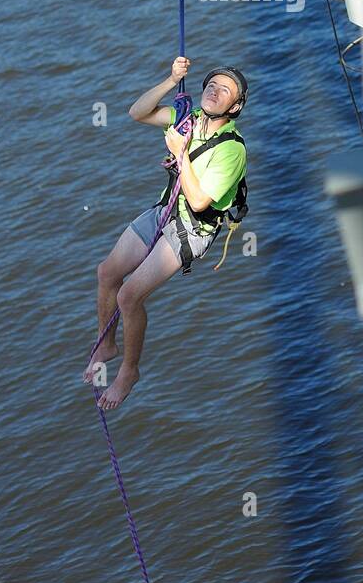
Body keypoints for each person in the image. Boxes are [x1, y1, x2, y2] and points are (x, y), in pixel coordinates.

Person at [82, 56, 248, 411]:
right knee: (107, 273)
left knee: (129, 296)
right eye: (212, 85)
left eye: (225, 91)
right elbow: (138, 113)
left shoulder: (232, 149)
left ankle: (129, 370)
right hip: (166, 210)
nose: (214, 91)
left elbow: (201, 202)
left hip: (191, 228)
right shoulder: (189, 118)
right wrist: (171, 80)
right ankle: (107, 343)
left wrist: (181, 153)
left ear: (234, 107)